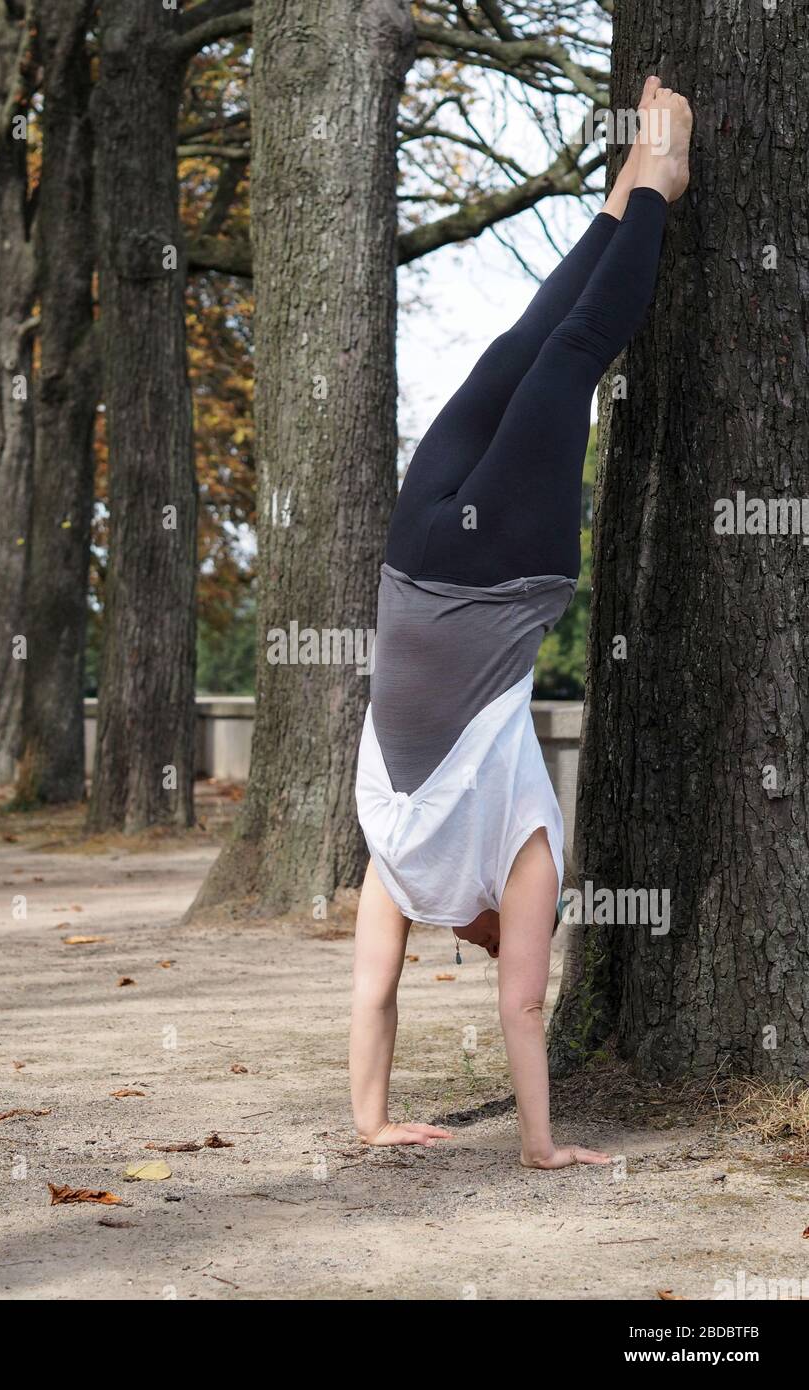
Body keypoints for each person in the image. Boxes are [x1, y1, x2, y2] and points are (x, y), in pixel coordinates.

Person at [350, 78, 693, 1165]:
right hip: (458, 562)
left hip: (438, 553)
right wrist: (527, 1143)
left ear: (495, 930)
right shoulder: (496, 845)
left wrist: (387, 1122)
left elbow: (497, 1007)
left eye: (519, 939)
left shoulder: (416, 868)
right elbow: (400, 1000)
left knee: (543, 350)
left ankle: (642, 186)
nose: (525, 942)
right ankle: (647, 182)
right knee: (549, 354)